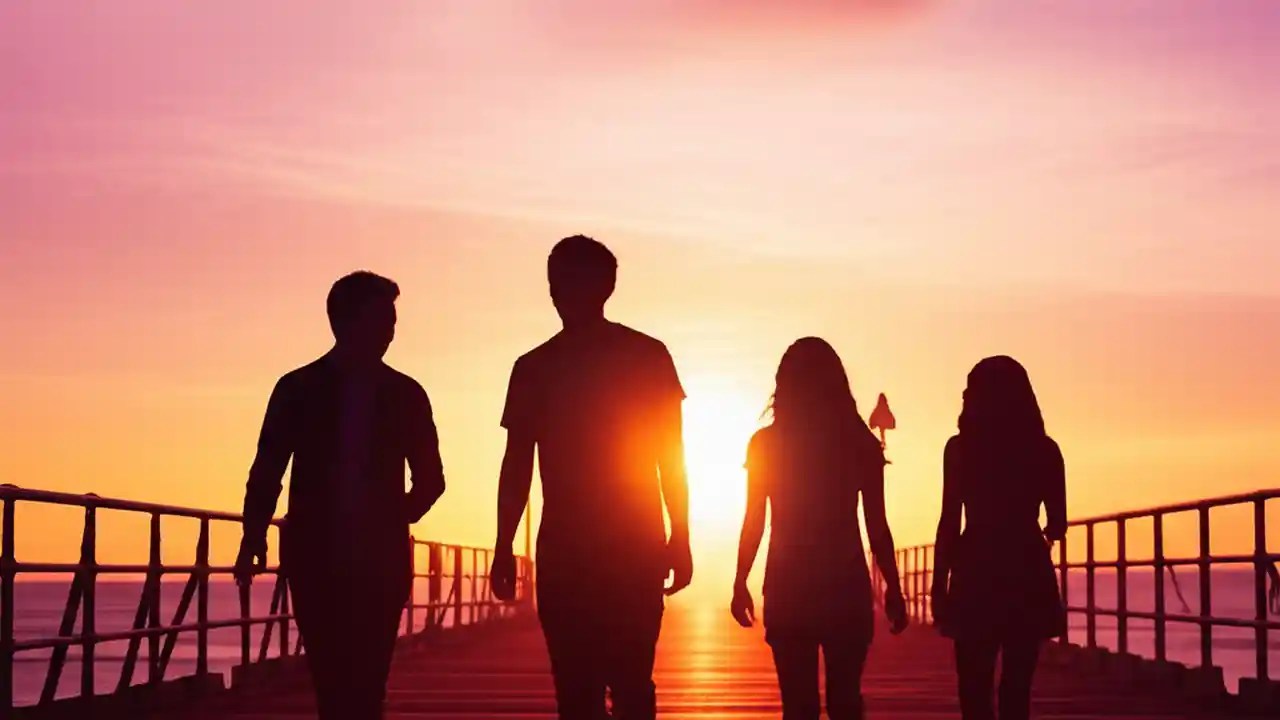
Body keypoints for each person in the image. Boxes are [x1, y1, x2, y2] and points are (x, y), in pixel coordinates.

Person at [490, 235, 692, 719]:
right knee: (628, 685)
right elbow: (672, 457)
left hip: (577, 551)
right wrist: (679, 535)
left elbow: (517, 464)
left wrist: (504, 545)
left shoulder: (535, 367)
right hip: (625, 546)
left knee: (581, 691)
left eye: (563, 282)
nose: (559, 292)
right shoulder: (648, 355)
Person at [235, 271, 446, 720]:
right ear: (346, 322)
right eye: (382, 320)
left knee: (355, 684)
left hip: (345, 555)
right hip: (330, 557)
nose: (391, 331)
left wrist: (392, 517)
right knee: (343, 684)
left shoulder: (302, 388)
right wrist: (253, 535)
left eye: (392, 321)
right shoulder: (392, 393)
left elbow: (268, 469)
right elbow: (268, 467)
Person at [731, 337, 908, 720]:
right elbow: (877, 526)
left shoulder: (765, 445)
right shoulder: (859, 443)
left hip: (788, 586)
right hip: (845, 586)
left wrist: (740, 580)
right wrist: (893, 587)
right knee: (845, 701)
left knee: (798, 707)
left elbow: (754, 521)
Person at [930, 356, 1066, 720]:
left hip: (974, 570)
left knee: (973, 687)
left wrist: (937, 585)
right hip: (1027, 569)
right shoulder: (1046, 450)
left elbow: (948, 521)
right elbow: (1058, 523)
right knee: (1016, 689)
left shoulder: (958, 449)